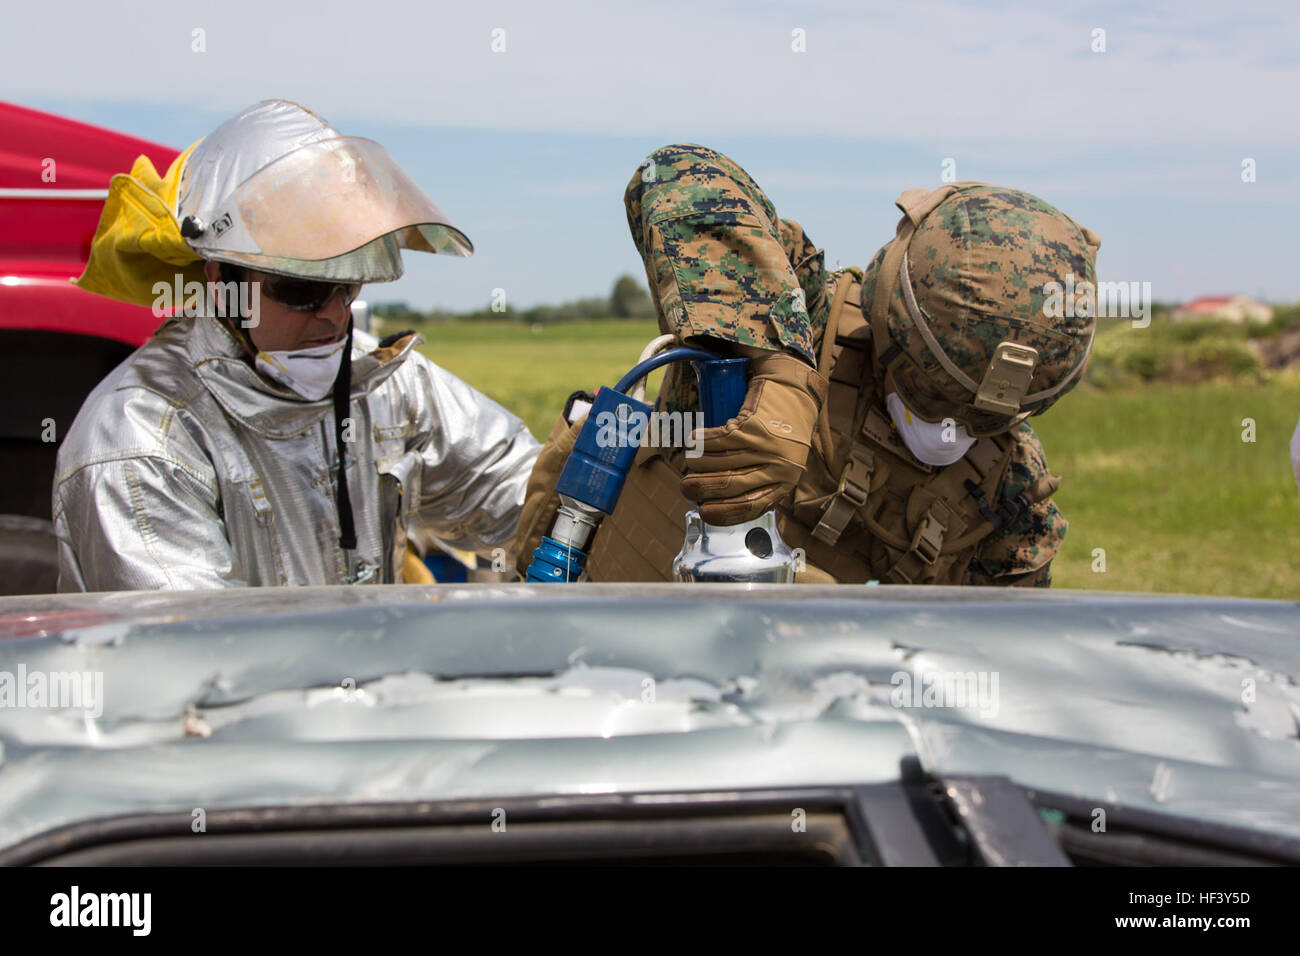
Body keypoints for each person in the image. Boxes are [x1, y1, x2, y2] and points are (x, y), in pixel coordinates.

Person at [517, 143, 1100, 586]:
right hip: (603, 669)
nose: (955, 432)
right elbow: (674, 176)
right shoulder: (803, 309)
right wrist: (778, 367)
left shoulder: (1011, 492)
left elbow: (999, 662)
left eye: (983, 421)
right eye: (933, 396)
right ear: (890, 320)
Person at [55, 100, 539, 590]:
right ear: (221, 280)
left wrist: (578, 489)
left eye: (348, 285)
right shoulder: (140, 442)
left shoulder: (380, 380)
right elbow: (194, 632)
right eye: (301, 289)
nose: (335, 314)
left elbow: (516, 494)